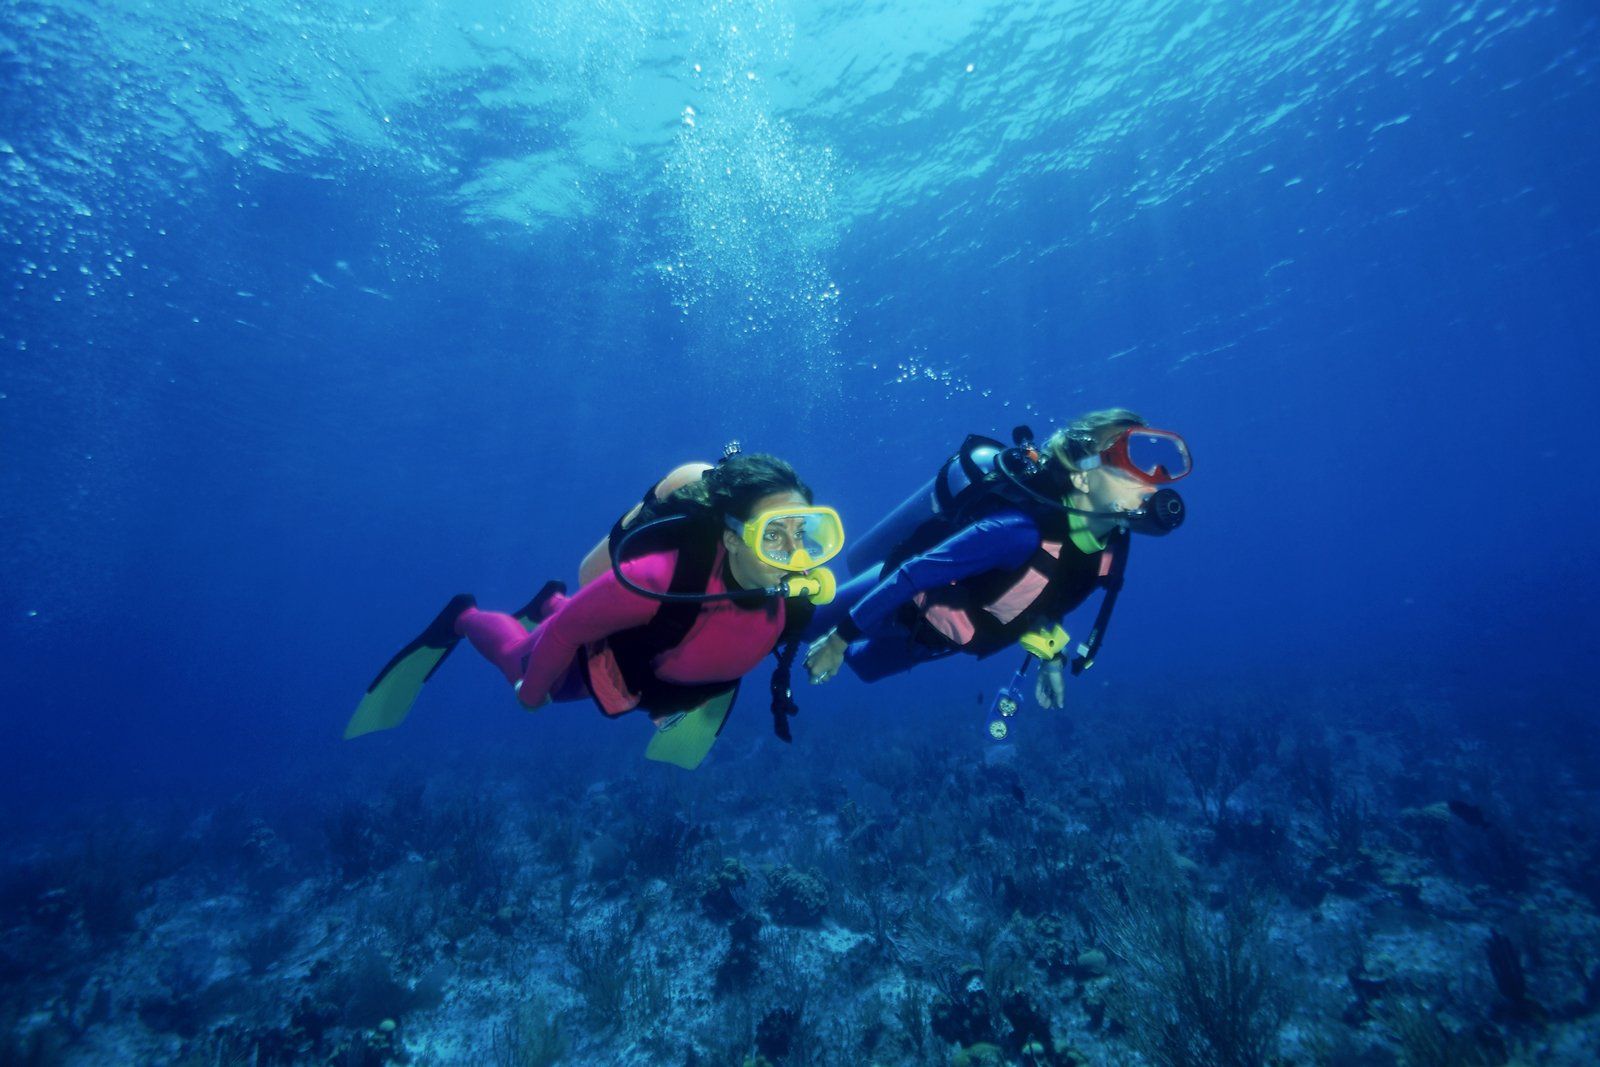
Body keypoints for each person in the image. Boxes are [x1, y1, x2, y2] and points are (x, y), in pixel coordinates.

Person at [345, 450, 845, 769]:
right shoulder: (660, 578)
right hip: (591, 654)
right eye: (773, 536)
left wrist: (839, 640)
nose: (796, 556)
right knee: (517, 659)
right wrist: (530, 693)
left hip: (646, 665)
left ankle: (551, 599)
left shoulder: (796, 593)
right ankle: (463, 617)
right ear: (732, 538)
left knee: (578, 613)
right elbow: (566, 633)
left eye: (804, 533)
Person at [803, 409, 1190, 716]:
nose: (1151, 484)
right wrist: (840, 638)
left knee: (864, 669)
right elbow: (915, 572)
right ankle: (783, 587)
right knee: (804, 623)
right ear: (1082, 477)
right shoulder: (1016, 532)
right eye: (1130, 464)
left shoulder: (1111, 544)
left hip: (938, 634)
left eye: (1156, 472)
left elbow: (1052, 595)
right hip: (896, 592)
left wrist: (1051, 661)